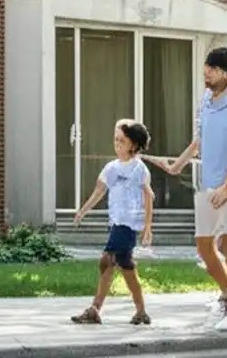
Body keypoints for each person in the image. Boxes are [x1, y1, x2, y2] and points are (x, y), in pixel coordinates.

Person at [142, 47, 227, 332]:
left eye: (214, 69)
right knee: (204, 247)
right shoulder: (205, 100)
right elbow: (199, 140)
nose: (207, 74)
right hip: (208, 183)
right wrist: (176, 166)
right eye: (207, 68)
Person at [71, 119, 155, 326]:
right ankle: (141, 311)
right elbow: (99, 191)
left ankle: (95, 309)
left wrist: (147, 227)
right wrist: (82, 211)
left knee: (107, 260)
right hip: (115, 223)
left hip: (128, 225)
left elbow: (149, 196)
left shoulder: (139, 169)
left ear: (133, 145)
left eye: (122, 141)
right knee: (126, 267)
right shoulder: (111, 168)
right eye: (115, 140)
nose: (117, 144)